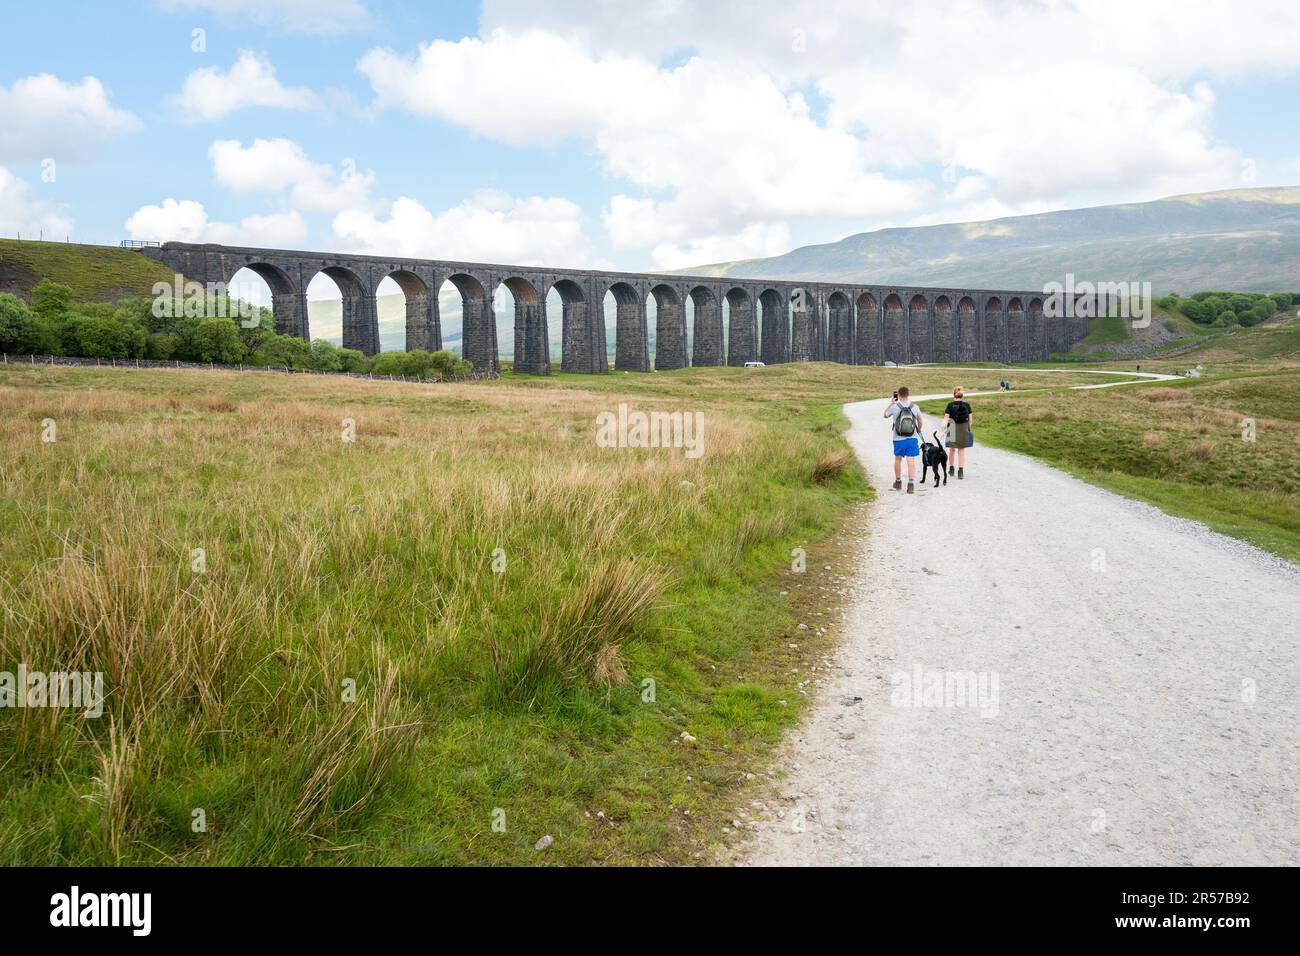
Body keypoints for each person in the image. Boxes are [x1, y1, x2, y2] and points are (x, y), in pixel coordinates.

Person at [883, 386, 922, 493]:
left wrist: (891, 402)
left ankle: (898, 482)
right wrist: (918, 431)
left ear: (898, 396)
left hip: (898, 439)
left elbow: (885, 415)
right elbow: (920, 421)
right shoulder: (915, 407)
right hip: (912, 438)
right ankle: (910, 484)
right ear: (908, 395)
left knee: (898, 459)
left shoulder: (895, 407)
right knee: (911, 461)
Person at [942, 386, 973, 479]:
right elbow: (970, 420)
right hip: (963, 427)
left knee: (952, 450)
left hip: (952, 427)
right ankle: (961, 471)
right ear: (962, 395)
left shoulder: (950, 405)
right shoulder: (967, 405)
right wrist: (967, 429)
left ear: (954, 394)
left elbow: (946, 418)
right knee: (961, 450)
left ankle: (951, 468)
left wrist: (943, 429)